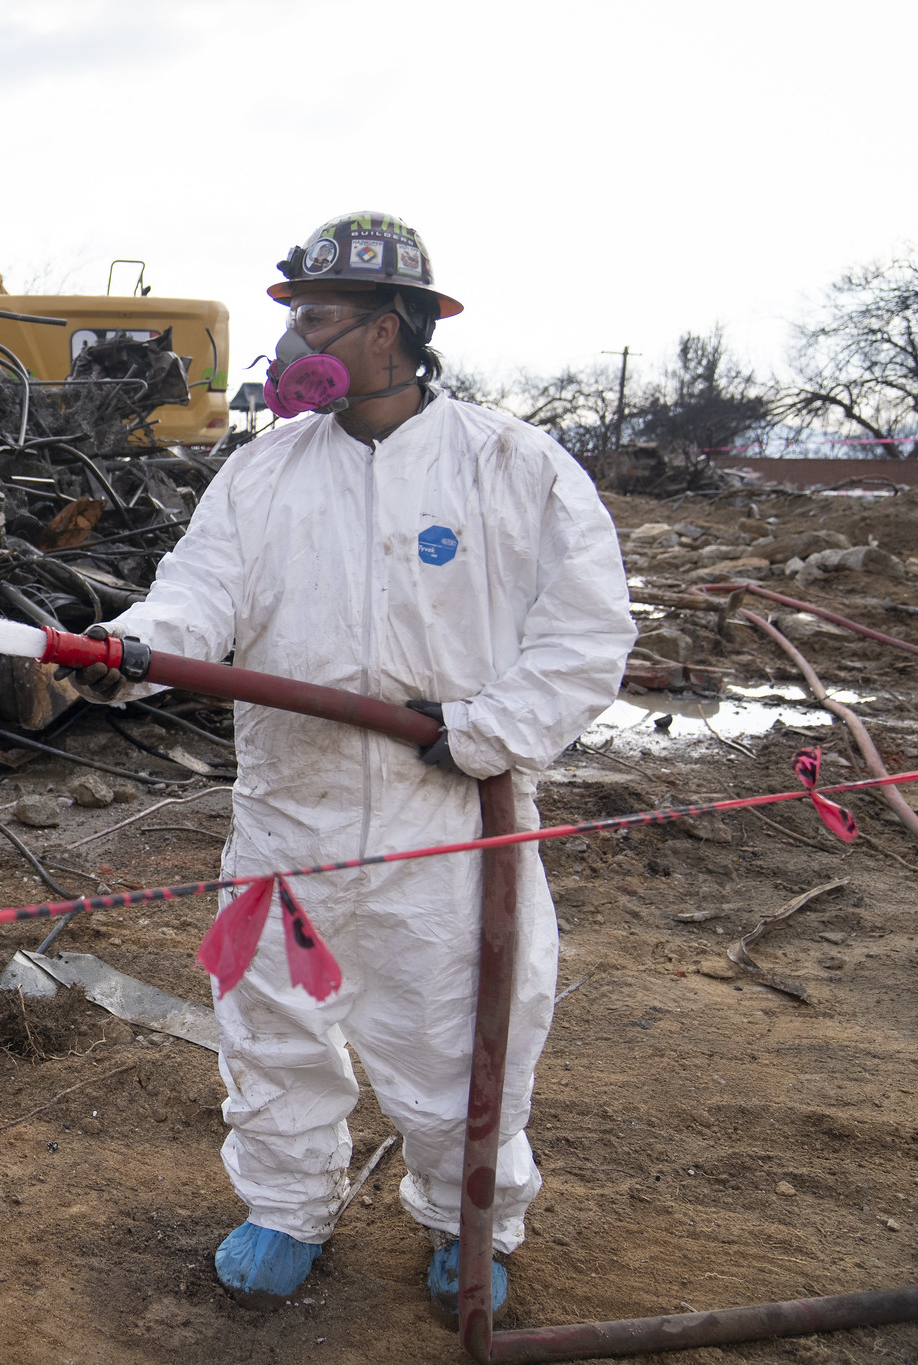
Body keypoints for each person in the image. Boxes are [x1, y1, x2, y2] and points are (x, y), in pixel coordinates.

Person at [70, 212, 634, 1315]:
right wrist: (135, 652)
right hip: (292, 816)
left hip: (452, 821)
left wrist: (479, 730)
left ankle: (466, 1218)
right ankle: (283, 1208)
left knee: (460, 1038)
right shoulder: (261, 473)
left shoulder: (512, 467)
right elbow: (197, 598)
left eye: (314, 319)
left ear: (390, 331)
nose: (289, 346)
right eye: (292, 318)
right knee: (271, 1028)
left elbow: (583, 636)